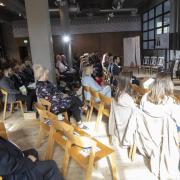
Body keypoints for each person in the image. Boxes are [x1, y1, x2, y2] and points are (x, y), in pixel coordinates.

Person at [139, 72, 180, 179]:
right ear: (169, 84)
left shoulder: (144, 97)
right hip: (165, 135)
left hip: (149, 133)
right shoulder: (171, 103)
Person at [109, 72, 137, 146]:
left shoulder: (118, 93)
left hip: (120, 121)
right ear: (127, 81)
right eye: (131, 79)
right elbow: (135, 110)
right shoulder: (126, 97)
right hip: (127, 123)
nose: (132, 80)